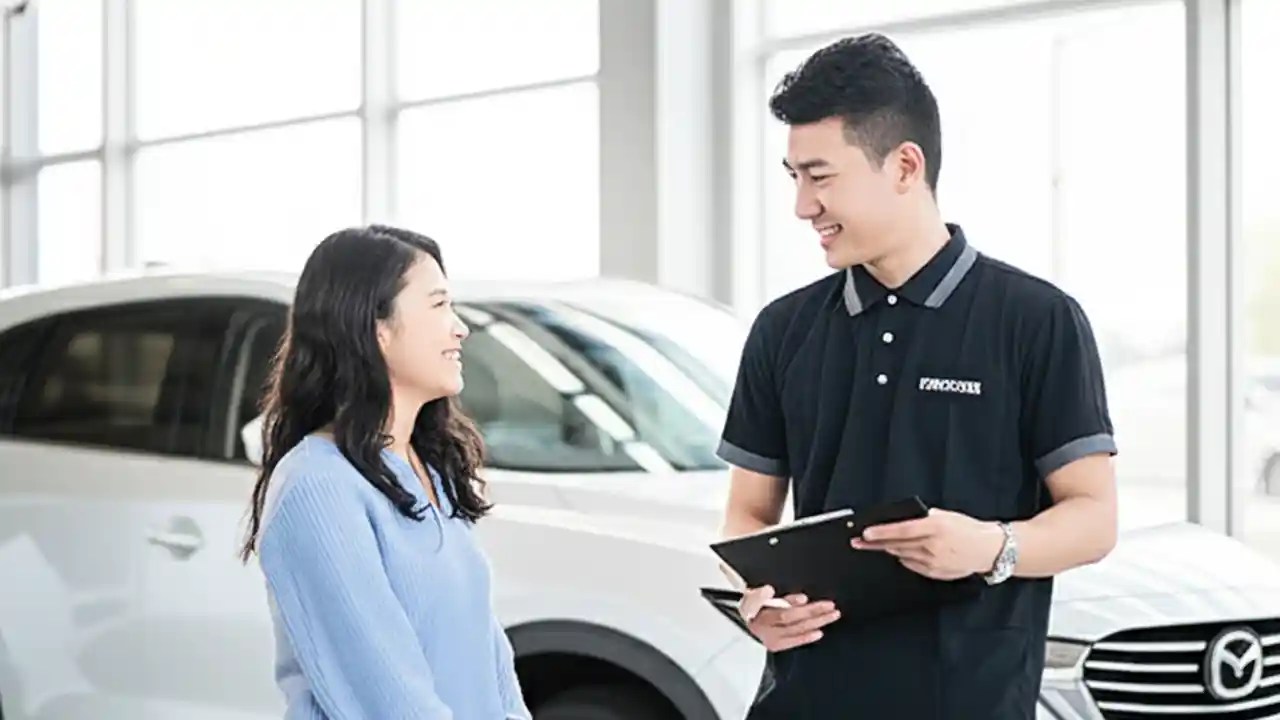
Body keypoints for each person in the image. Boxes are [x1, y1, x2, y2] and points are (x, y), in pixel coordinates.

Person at [717, 34, 1119, 719]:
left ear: (905, 165)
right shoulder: (782, 330)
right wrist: (754, 601)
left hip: (970, 700)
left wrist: (990, 546)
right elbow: (748, 516)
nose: (802, 206)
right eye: (793, 177)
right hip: (805, 700)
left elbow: (1093, 519)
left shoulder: (1036, 320)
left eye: (820, 176)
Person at [238, 225, 531, 720]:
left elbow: (490, 661)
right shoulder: (318, 488)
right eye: (439, 305)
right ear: (378, 328)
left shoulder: (430, 469)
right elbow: (389, 701)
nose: (460, 327)